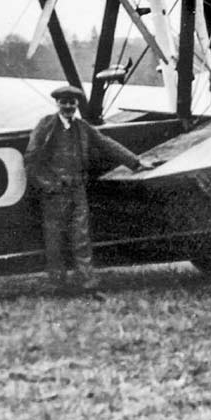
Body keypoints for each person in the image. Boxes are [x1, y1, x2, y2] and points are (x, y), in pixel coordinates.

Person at [23, 84, 154, 293]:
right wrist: (47, 185)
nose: (68, 106)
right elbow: (31, 159)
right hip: (55, 193)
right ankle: (57, 283)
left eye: (71, 102)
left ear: (76, 104)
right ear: (57, 103)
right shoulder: (45, 125)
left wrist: (136, 162)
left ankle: (88, 283)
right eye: (64, 102)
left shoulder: (82, 127)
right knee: (54, 240)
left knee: (81, 238)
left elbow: (106, 143)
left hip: (77, 191)